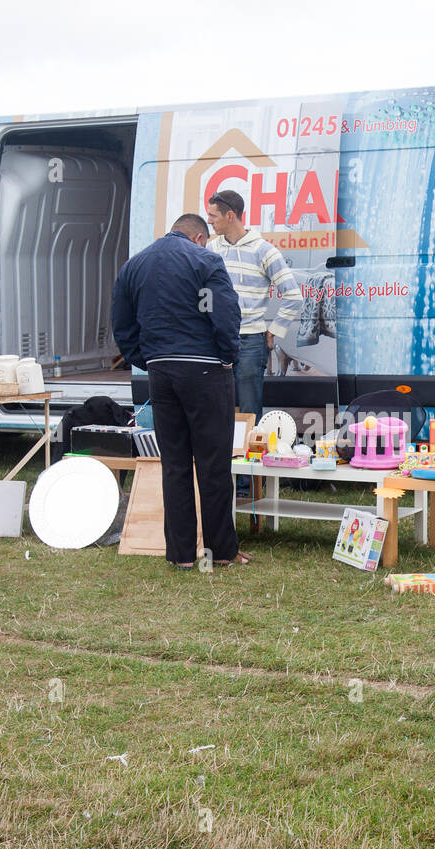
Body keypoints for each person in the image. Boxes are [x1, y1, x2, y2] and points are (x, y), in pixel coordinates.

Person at [111, 214, 246, 569]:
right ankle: (221, 552)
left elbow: (121, 324)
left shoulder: (134, 265)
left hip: (161, 371)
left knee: (174, 465)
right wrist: (228, 356)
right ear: (199, 237)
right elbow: (225, 314)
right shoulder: (205, 260)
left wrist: (147, 359)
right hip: (205, 369)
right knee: (213, 464)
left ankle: (182, 555)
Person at [205, 190, 303, 425]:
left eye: (213, 215)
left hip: (250, 342)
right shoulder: (210, 250)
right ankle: (222, 459)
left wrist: (273, 330)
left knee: (249, 411)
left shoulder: (264, 251)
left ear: (230, 216)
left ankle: (248, 460)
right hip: (216, 341)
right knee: (216, 407)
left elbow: (293, 294)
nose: (209, 220)